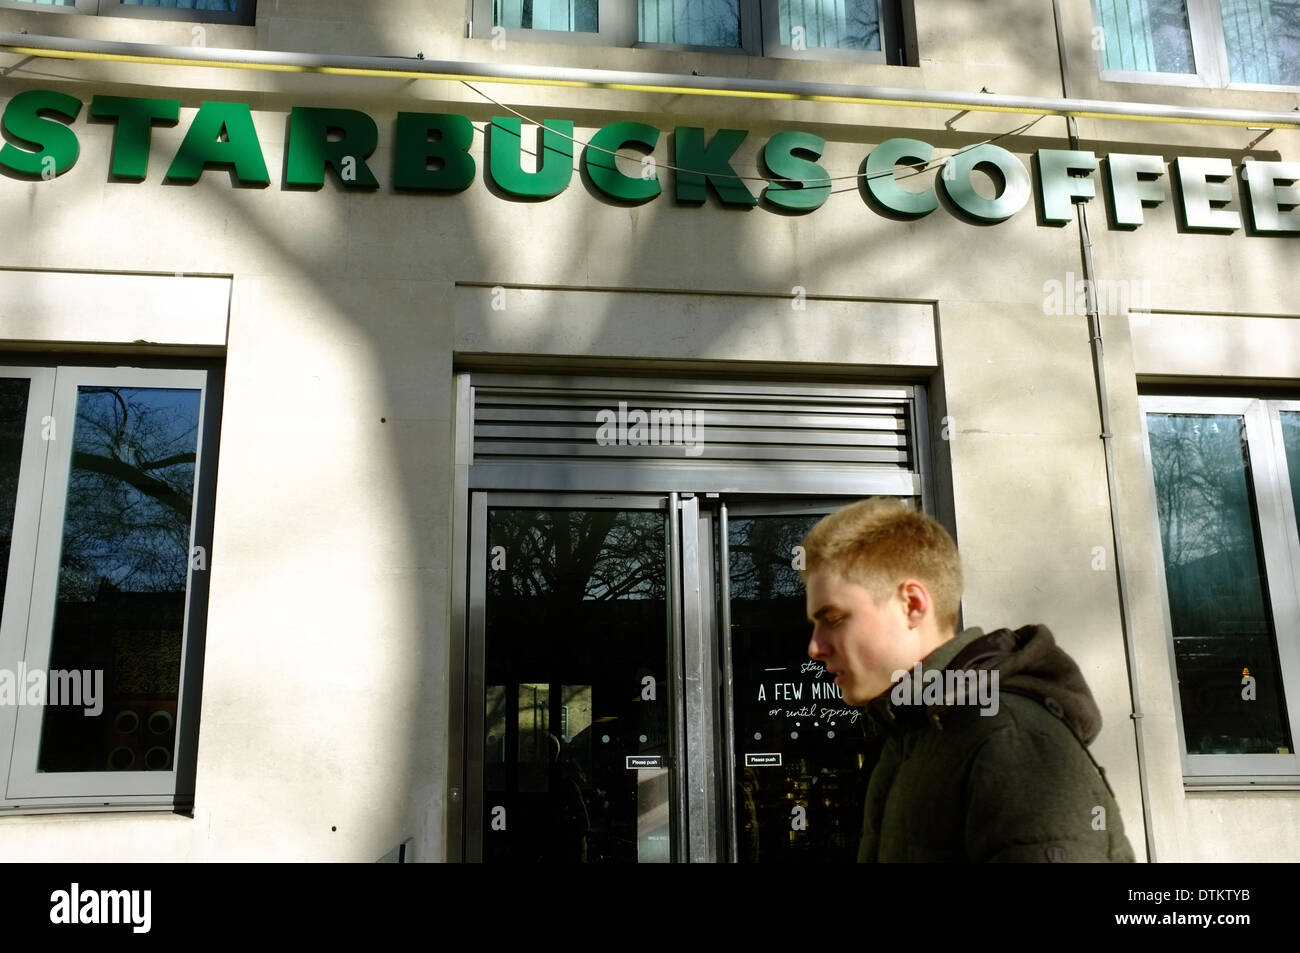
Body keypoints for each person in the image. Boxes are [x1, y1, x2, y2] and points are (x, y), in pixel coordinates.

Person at [800, 497, 1135, 862]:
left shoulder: (1007, 739)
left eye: (833, 619)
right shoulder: (914, 735)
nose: (815, 647)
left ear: (912, 605)